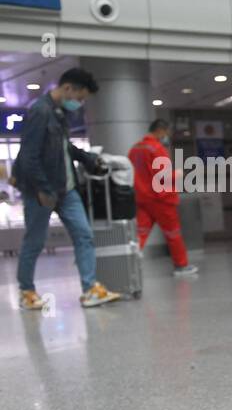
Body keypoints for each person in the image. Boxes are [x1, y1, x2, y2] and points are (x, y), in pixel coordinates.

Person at [12, 67, 121, 311]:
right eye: (80, 98)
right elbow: (29, 156)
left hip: (66, 188)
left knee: (84, 235)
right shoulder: (39, 111)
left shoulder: (60, 113)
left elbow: (64, 147)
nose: (80, 103)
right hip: (42, 189)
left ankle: (90, 288)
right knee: (35, 241)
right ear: (68, 88)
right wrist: (42, 188)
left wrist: (87, 158)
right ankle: (26, 290)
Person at [128, 119, 197, 276]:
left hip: (142, 198)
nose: (166, 136)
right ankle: (181, 266)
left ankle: (128, 264)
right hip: (161, 199)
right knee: (173, 234)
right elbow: (163, 176)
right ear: (160, 130)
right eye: (166, 132)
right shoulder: (156, 148)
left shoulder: (135, 149)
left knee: (140, 233)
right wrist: (178, 174)